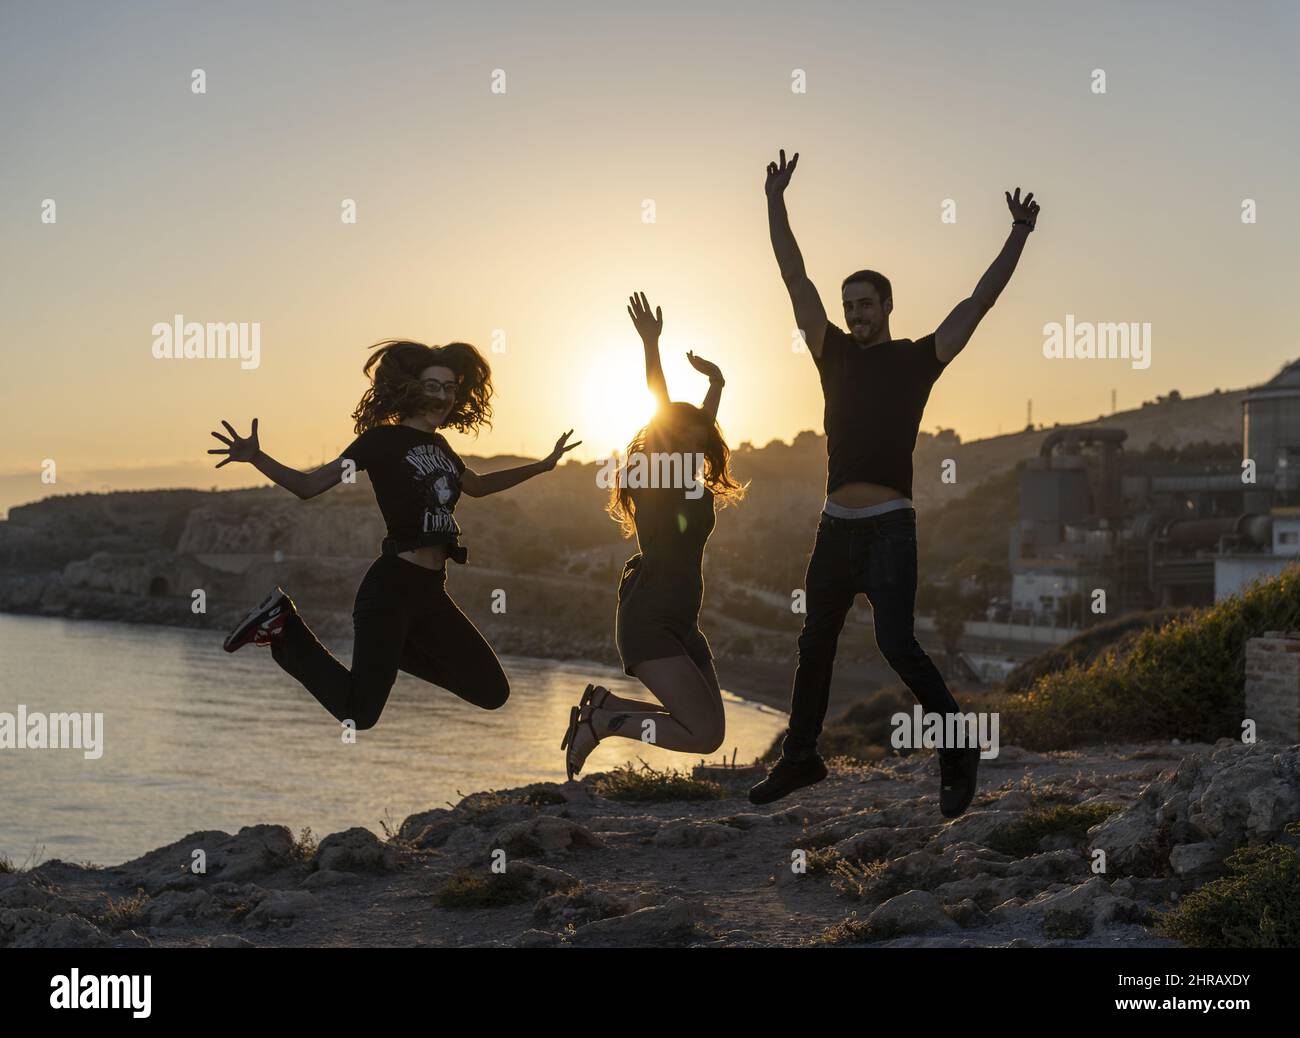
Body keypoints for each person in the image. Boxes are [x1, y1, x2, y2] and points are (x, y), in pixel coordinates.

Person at [750, 150, 1041, 815]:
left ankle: (957, 748)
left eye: (865, 304)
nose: (854, 312)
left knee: (895, 643)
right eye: (849, 304)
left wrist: (1018, 233)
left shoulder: (919, 360)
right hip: (833, 527)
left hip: (889, 528)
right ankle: (801, 758)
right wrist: (775, 199)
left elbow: (981, 300)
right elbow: (792, 273)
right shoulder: (832, 353)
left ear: (887, 306)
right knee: (813, 642)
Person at [209, 339, 579, 731]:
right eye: (432, 386)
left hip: (431, 592)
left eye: (451, 387)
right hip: (390, 591)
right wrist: (257, 458)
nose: (443, 396)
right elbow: (309, 485)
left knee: (492, 691)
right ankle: (285, 627)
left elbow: (479, 486)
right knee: (359, 713)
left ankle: (394, 648)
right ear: (409, 387)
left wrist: (543, 466)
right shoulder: (380, 442)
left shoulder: (441, 447)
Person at [562, 293, 745, 779]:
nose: (692, 442)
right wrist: (650, 343)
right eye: (679, 435)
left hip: (684, 622)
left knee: (709, 733)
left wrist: (718, 384)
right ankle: (603, 722)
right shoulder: (654, 475)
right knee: (701, 733)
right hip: (649, 620)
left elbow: (698, 425)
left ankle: (605, 710)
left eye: (699, 438)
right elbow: (661, 403)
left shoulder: (689, 478)